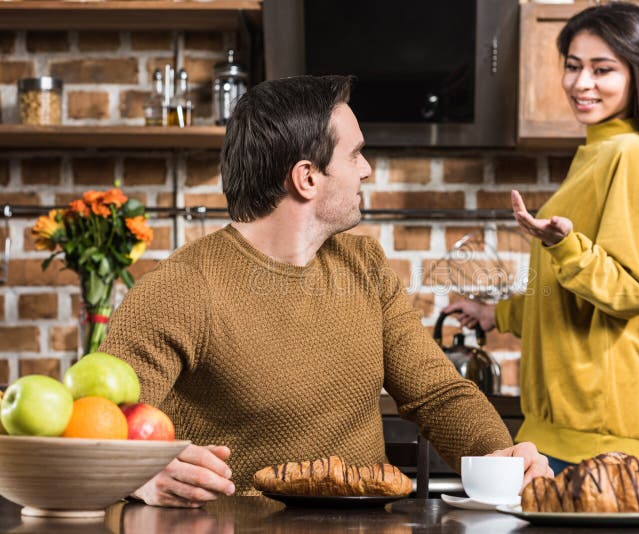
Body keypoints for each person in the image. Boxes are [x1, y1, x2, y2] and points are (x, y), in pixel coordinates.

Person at [100, 75, 551, 507]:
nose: (368, 170)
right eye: (356, 155)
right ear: (307, 178)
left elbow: (437, 395)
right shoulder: (182, 287)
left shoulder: (365, 266)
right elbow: (96, 424)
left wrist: (502, 457)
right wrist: (137, 475)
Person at [445, 2, 639, 475]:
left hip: (597, 435)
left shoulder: (631, 156)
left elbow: (630, 291)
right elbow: (568, 302)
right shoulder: (598, 152)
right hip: (561, 426)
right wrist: (498, 314)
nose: (581, 83)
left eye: (602, 69)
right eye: (572, 67)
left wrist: (564, 245)